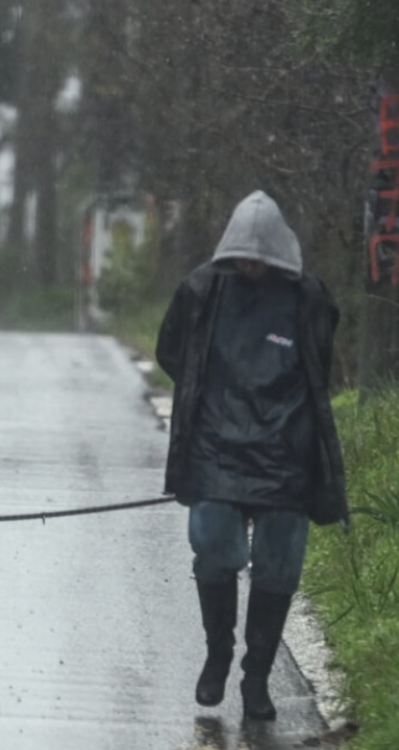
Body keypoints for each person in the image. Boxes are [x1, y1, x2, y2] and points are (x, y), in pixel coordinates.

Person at [155, 190, 349, 721]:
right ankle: (217, 655)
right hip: (217, 444)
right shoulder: (200, 290)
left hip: (286, 450)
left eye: (257, 259)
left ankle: (257, 676)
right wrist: (215, 398)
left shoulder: (309, 297)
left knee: (279, 564)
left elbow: (318, 362)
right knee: (213, 547)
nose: (248, 266)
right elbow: (172, 350)